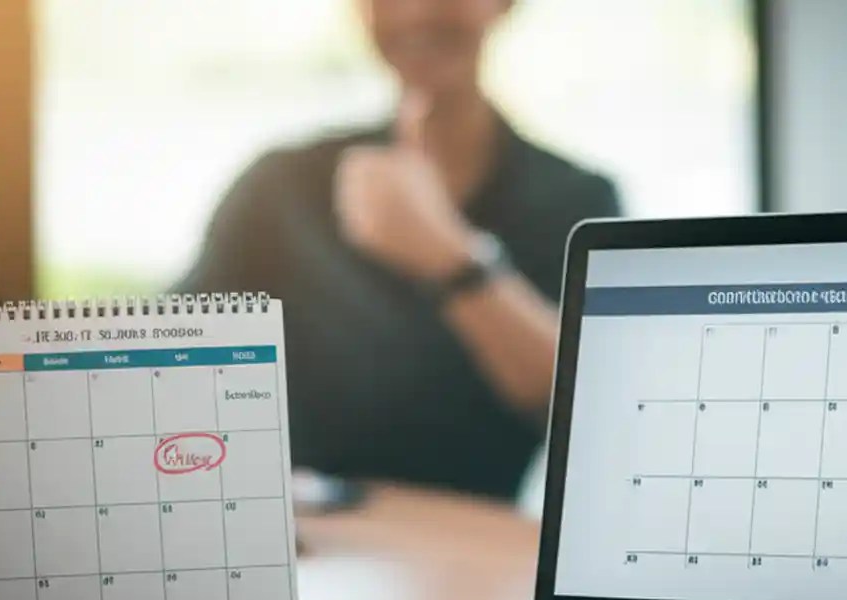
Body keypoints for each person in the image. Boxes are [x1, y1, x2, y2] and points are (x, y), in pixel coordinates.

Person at [175, 0, 619, 500]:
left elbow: (605, 419)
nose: (415, 12)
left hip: (468, 540)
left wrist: (451, 257)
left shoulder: (579, 201)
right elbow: (174, 370)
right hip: (316, 532)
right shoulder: (281, 187)